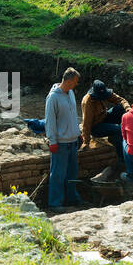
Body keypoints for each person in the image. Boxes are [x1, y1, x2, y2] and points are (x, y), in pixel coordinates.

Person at [44, 67, 82, 210]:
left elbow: (73, 114)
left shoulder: (71, 93)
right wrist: (52, 141)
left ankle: (71, 198)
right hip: (60, 143)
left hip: (72, 141)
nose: (76, 84)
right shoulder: (53, 97)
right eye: (75, 82)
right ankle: (55, 202)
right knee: (58, 174)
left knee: (72, 173)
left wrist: (78, 132)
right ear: (69, 81)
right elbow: (50, 121)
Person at [81, 79, 130, 177]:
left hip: (104, 117)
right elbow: (87, 124)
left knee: (120, 109)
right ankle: (122, 159)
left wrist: (128, 109)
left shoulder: (105, 93)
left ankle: (118, 137)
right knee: (118, 129)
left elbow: (121, 100)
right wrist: (86, 142)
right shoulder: (88, 102)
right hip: (95, 127)